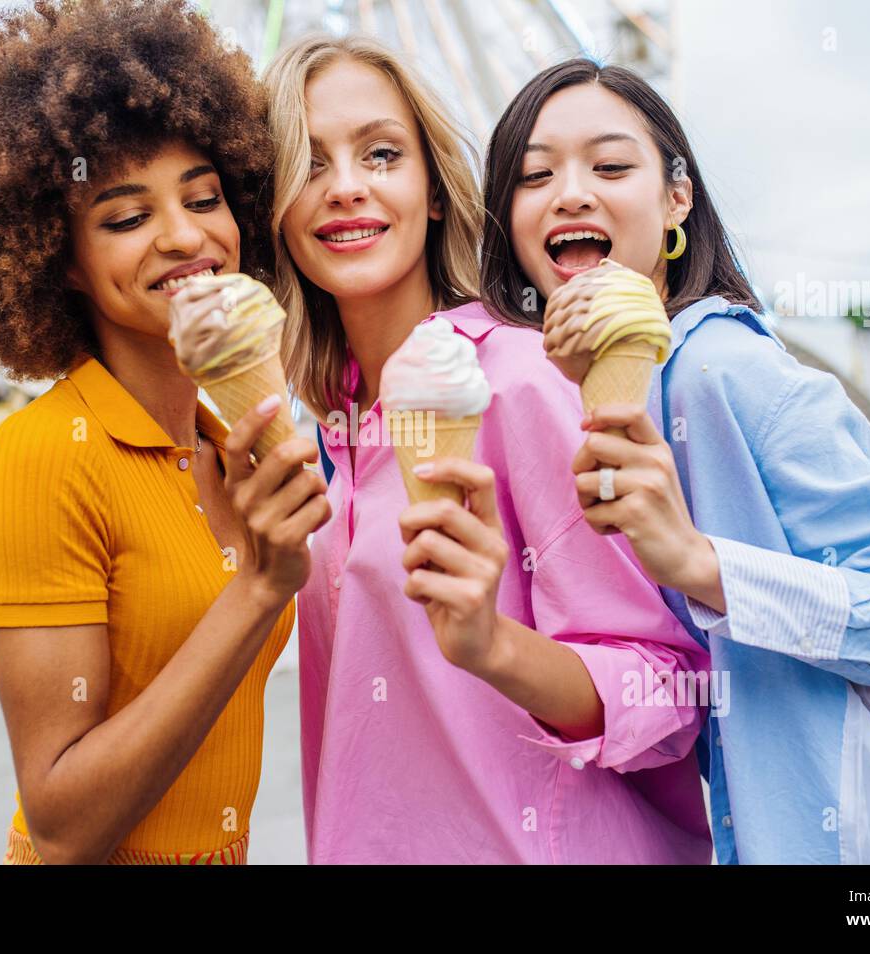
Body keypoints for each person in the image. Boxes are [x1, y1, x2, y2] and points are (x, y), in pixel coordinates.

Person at [482, 56, 870, 863]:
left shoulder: (724, 372)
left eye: (610, 165)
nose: (571, 192)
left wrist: (705, 566)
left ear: (677, 200)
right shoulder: (556, 405)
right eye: (535, 176)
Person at [264, 34, 712, 864]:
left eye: (381, 153)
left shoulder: (521, 376)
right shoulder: (330, 430)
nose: (347, 187)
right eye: (308, 163)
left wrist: (493, 646)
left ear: (434, 191)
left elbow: (671, 696)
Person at [0, 0, 329, 864]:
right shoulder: (41, 458)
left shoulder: (225, 443)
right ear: (59, 257)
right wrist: (257, 589)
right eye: (126, 218)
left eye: (205, 198)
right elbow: (63, 825)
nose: (185, 237)